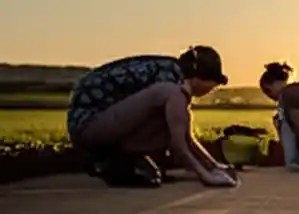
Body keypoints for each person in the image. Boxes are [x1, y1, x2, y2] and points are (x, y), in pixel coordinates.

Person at [66, 46, 238, 188]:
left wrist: (214, 166)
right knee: (171, 100)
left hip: (102, 124)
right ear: (199, 77)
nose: (211, 89)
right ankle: (107, 160)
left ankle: (118, 162)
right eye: (212, 84)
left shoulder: (172, 74)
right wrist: (207, 177)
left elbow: (185, 135)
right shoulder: (173, 86)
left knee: (174, 119)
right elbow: (178, 143)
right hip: (89, 124)